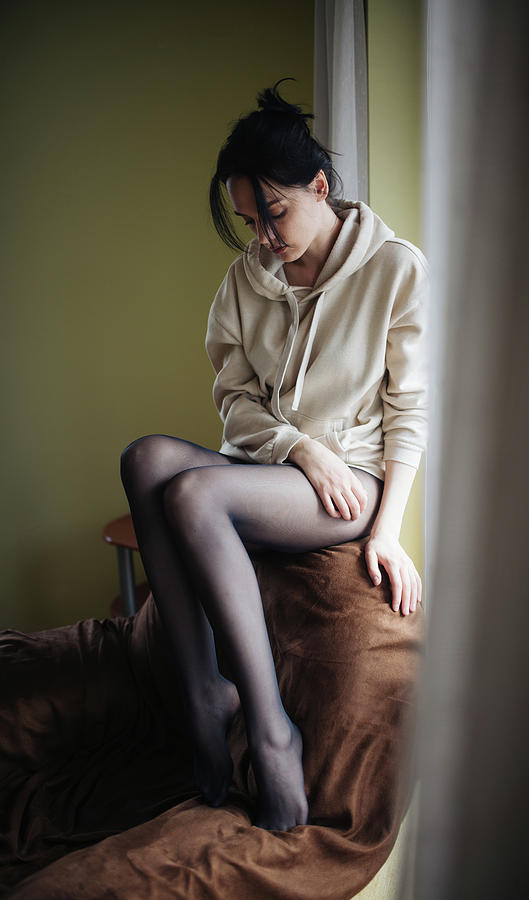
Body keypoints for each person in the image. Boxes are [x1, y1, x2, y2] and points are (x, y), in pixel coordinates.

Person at [119, 80, 428, 834]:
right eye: (249, 220)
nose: (262, 235)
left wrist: (384, 529)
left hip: (344, 485)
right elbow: (235, 399)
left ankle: (269, 728)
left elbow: (410, 412)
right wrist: (297, 449)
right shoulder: (244, 280)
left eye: (275, 213)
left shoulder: (395, 269)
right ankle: (203, 690)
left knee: (193, 495)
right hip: (271, 471)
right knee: (147, 459)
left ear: (319, 187)